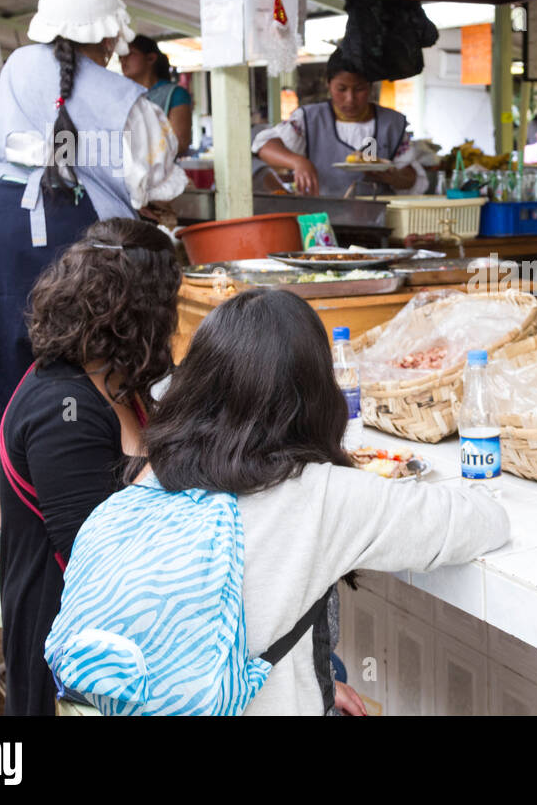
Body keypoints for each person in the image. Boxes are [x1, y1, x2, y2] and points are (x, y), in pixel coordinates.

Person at [135, 288, 509, 714]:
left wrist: (316, 685)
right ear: (313, 393)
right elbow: (483, 521)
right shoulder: (323, 494)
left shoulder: (153, 477)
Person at [0, 0, 187, 560]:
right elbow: (159, 183)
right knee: (87, 355)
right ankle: (88, 496)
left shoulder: (14, 70)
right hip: (75, 229)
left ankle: (1, 518)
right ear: (109, 38)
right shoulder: (125, 98)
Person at [0, 219, 180, 715]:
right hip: (66, 649)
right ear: (147, 311)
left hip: (119, 646)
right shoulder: (62, 407)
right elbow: (95, 551)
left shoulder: (115, 375)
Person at [251, 50, 417, 197]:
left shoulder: (392, 123)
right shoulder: (309, 118)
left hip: (378, 217)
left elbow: (411, 178)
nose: (350, 99)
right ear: (328, 84)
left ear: (371, 86)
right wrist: (298, 162)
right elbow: (264, 145)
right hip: (322, 217)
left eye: (359, 89)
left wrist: (393, 177)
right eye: (341, 89)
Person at [120, 34, 193, 155]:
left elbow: (180, 144)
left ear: (151, 58)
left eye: (130, 53)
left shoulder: (175, 94)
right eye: (120, 57)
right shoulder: (124, 96)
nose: (123, 60)